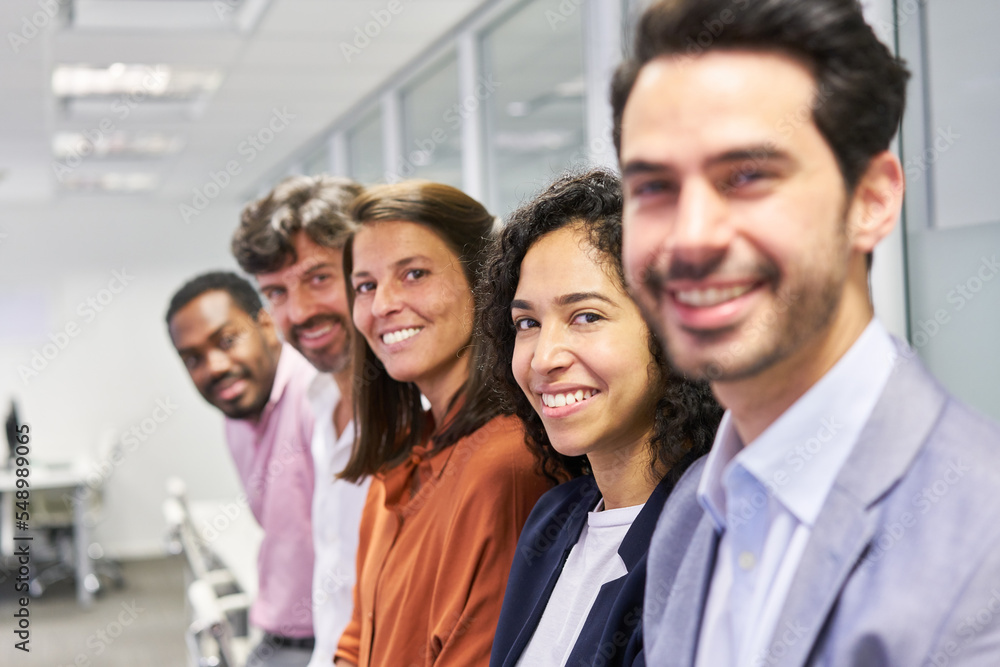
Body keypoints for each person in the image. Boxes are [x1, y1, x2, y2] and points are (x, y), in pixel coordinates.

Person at [612, 1, 1000, 665]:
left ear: (871, 200)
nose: (692, 238)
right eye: (653, 186)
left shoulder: (979, 536)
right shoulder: (688, 516)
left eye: (747, 176)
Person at [480, 169, 722, 667]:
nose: (543, 356)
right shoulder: (554, 518)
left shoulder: (709, 537)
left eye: (586, 316)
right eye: (527, 323)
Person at [333, 180, 552, 667]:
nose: (382, 304)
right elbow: (357, 639)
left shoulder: (507, 464)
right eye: (365, 285)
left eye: (413, 274)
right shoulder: (405, 457)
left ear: (483, 279)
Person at [232, 174, 370, 667]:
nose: (300, 311)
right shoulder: (317, 401)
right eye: (275, 292)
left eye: (318, 278)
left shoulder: (422, 414)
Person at [166, 271, 319, 666]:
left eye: (227, 341)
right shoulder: (235, 416)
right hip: (274, 627)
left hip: (327, 638)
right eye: (193, 359)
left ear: (266, 325)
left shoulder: (316, 396)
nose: (215, 366)